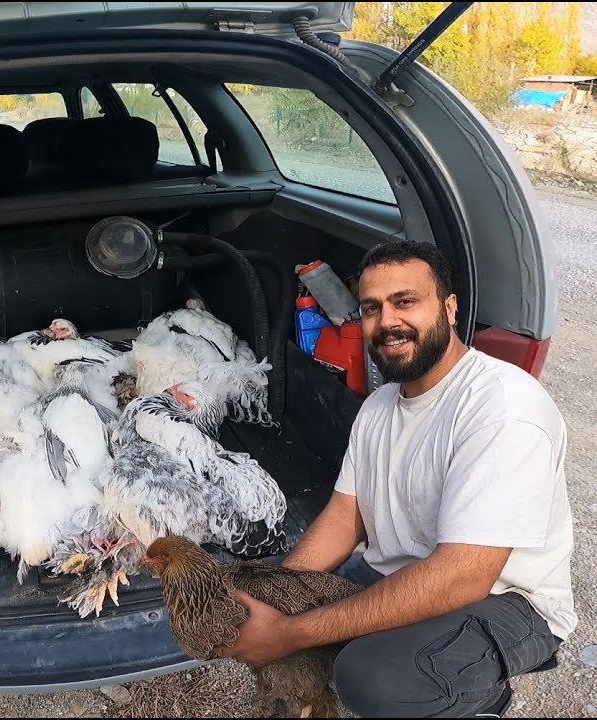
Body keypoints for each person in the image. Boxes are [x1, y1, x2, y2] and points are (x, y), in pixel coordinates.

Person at [220, 240, 575, 718]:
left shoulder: (501, 407)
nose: (388, 322)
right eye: (371, 308)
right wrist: (276, 592)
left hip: (507, 600)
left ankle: (480, 702)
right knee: (294, 612)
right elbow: (346, 516)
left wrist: (291, 633)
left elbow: (463, 575)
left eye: (406, 301)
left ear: (449, 309)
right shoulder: (379, 407)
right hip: (405, 571)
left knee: (374, 676)